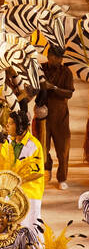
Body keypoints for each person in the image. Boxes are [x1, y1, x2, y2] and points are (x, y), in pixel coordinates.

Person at [0, 106, 45, 235]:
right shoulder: (9, 142)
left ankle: (38, 248)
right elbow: (4, 163)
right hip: (12, 193)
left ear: (20, 126)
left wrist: (20, 181)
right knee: (11, 229)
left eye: (10, 123)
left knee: (32, 229)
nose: (7, 126)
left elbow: (38, 172)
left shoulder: (33, 145)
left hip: (30, 194)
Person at [41, 45, 74, 191]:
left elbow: (69, 93)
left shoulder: (66, 72)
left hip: (60, 114)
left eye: (61, 58)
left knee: (63, 148)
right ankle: (46, 169)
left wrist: (53, 88)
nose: (59, 60)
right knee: (42, 146)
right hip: (43, 114)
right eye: (56, 57)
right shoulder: (40, 69)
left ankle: (62, 178)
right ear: (49, 56)